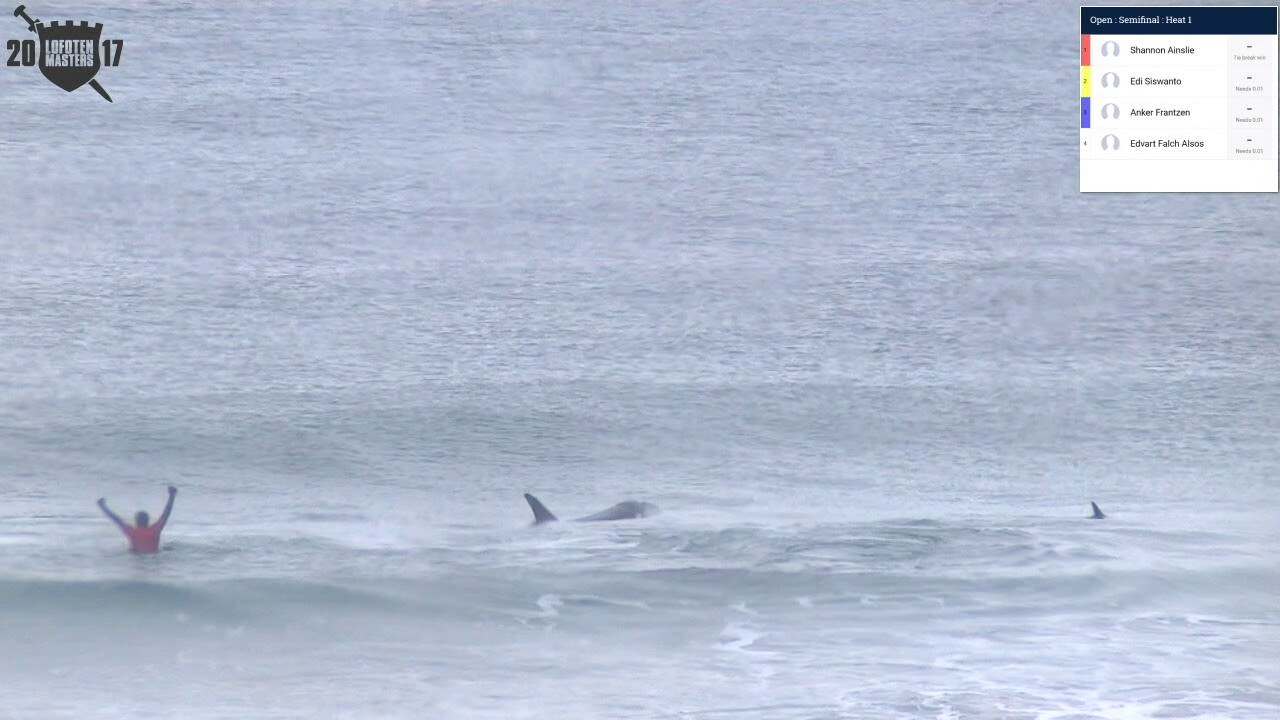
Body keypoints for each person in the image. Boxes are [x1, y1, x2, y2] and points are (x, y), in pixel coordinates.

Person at [98, 485, 177, 554]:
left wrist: (103, 506)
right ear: (148, 521)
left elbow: (116, 519)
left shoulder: (132, 532)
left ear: (136, 521)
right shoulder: (155, 530)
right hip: (154, 556)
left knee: (131, 551)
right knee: (166, 548)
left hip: (137, 558)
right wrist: (172, 496)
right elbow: (166, 514)